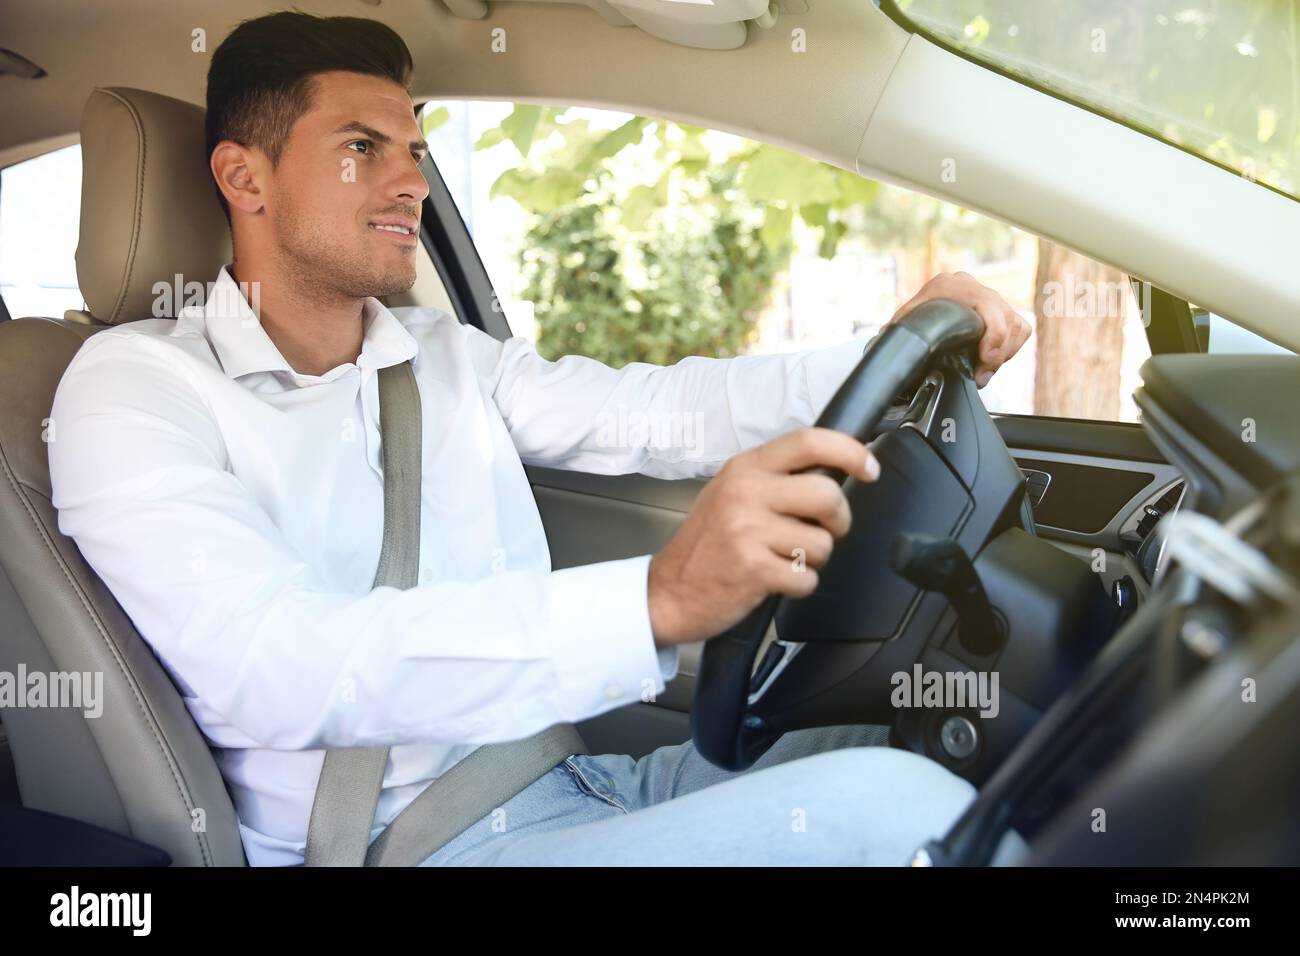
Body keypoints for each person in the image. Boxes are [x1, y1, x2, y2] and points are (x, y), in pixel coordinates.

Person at [48, 12, 1031, 866]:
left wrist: (887, 351)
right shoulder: (135, 390)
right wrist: (655, 598)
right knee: (906, 815)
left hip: (581, 782)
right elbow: (274, 662)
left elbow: (651, 410)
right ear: (241, 176)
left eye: (415, 149)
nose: (410, 183)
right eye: (362, 147)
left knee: (927, 729)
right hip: (422, 846)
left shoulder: (435, 350)